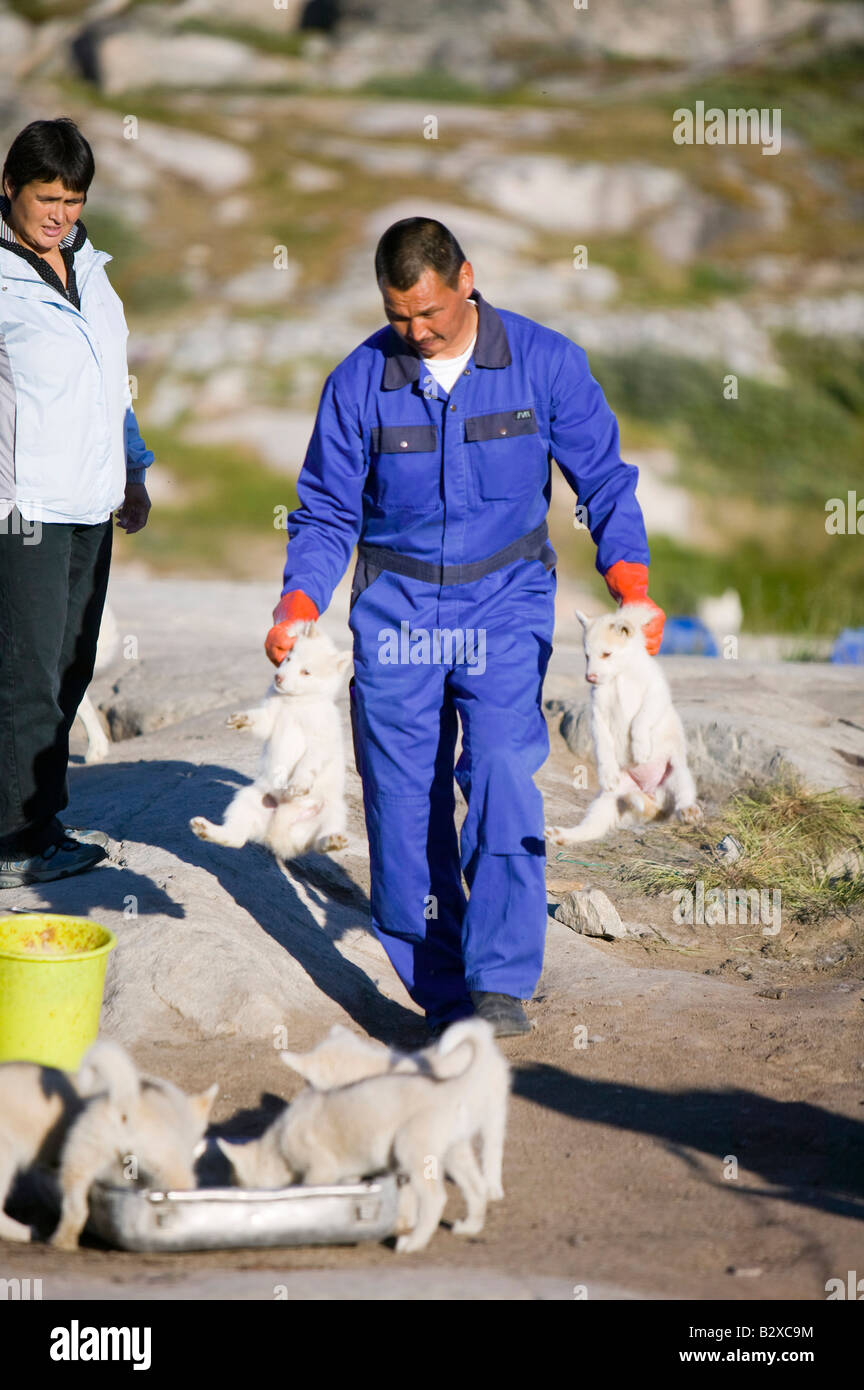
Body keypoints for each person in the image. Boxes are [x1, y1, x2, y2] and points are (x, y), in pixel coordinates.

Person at [265, 218, 664, 1038]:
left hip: (505, 597)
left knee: (502, 775)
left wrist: (630, 581)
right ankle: (443, 994)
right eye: (399, 316)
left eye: (430, 315)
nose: (415, 332)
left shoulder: (545, 363)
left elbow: (606, 483)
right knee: (404, 802)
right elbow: (328, 512)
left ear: (467, 281)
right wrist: (299, 604)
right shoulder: (357, 382)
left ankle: (500, 983)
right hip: (397, 608)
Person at [0, 118, 153, 888]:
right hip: (21, 508)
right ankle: (11, 841)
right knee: (24, 674)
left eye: (73, 198)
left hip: (91, 503)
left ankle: (42, 818)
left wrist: (133, 467)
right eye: (45, 197)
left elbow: (106, 382)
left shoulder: (90, 266)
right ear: (10, 189)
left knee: (67, 665)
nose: (59, 213)